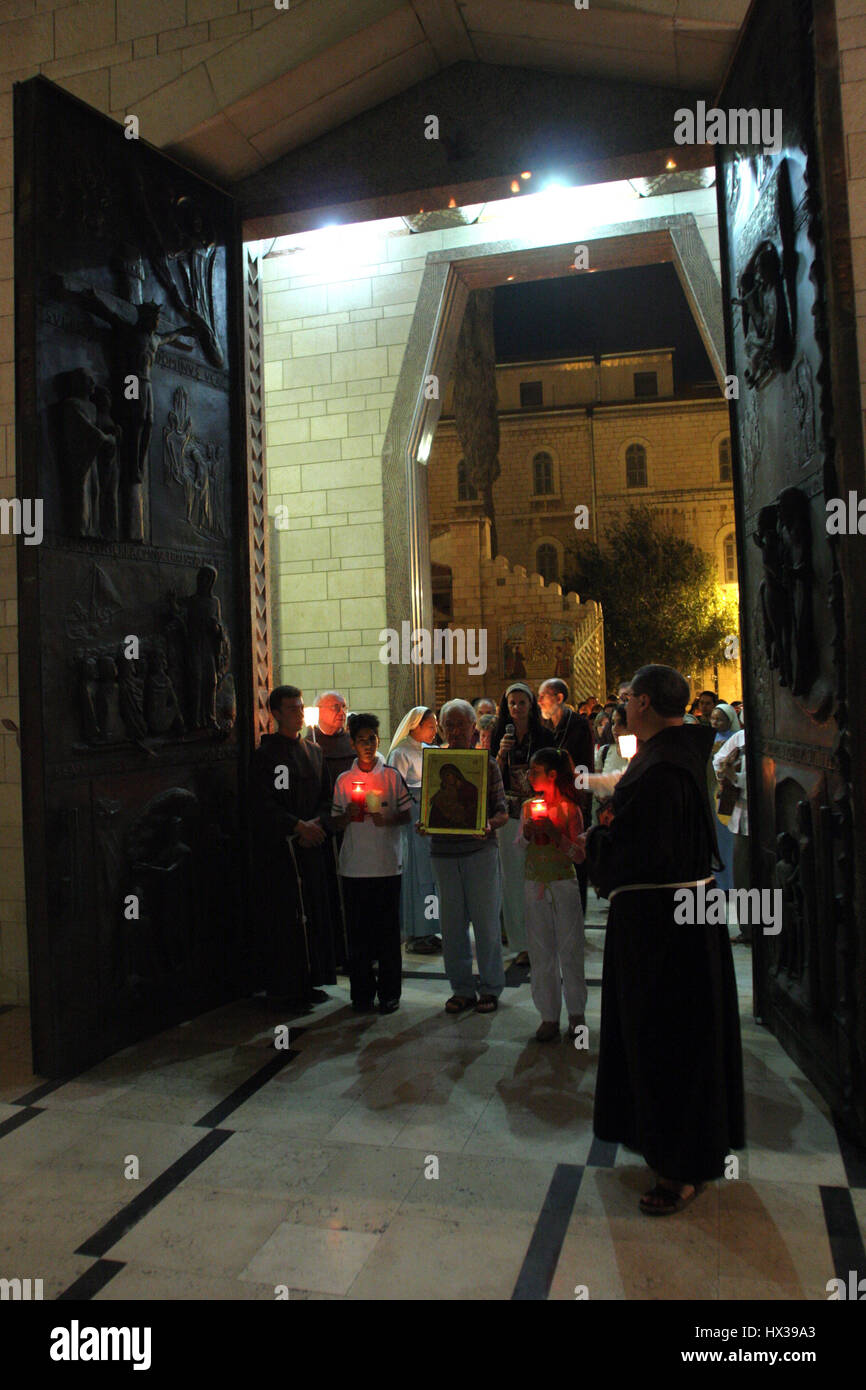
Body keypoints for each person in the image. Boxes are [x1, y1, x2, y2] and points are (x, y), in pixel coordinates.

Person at [585, 664, 744, 1216]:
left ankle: (680, 1169)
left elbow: (644, 851)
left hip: (665, 929)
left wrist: (590, 851)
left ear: (645, 703)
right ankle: (664, 1144)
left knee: (669, 1036)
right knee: (663, 1033)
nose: (623, 705)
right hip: (673, 918)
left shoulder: (663, 770)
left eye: (628, 697)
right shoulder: (674, 752)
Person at [249, 685, 337, 1008]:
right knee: (287, 918)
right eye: (291, 709)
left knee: (313, 913)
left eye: (301, 707)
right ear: (274, 714)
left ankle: (312, 979)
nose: (299, 713)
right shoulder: (266, 756)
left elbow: (327, 798)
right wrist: (296, 825)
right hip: (282, 851)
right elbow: (263, 803)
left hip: (312, 846)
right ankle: (286, 985)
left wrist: (316, 824)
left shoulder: (314, 752)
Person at [418, 699, 508, 1014]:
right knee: (452, 925)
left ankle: (490, 987)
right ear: (442, 728)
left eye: (462, 724)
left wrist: (487, 825)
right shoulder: (433, 764)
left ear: (473, 727)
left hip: (480, 852)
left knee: (485, 923)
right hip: (443, 854)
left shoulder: (487, 764)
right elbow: (429, 808)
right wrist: (424, 823)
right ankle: (461, 988)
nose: (455, 730)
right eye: (449, 724)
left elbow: (502, 812)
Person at [331, 713, 412, 1014]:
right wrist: (347, 814)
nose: (368, 745)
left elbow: (406, 814)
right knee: (359, 934)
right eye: (362, 740)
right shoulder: (343, 780)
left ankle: (390, 993)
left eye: (373, 739)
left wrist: (388, 817)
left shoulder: (391, 776)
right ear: (352, 744)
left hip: (387, 865)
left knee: (388, 933)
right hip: (354, 867)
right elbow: (336, 822)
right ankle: (361, 993)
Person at [521, 748, 587, 1042]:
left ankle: (576, 1015)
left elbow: (580, 855)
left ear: (552, 775)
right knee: (540, 950)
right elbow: (521, 846)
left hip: (562, 883)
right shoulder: (527, 807)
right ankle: (548, 1015)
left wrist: (555, 834)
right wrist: (527, 833)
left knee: (570, 949)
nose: (529, 775)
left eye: (535, 771)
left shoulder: (571, 810)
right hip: (535, 883)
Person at [490, 682, 555, 966]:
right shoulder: (499, 735)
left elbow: (554, 771)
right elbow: (492, 772)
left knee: (539, 877)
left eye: (522, 702)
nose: (517, 708)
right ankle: (521, 943)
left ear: (531, 705)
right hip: (510, 812)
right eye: (512, 703)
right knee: (513, 879)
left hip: (539, 812)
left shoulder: (544, 735)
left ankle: (543, 937)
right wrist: (502, 753)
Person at [305, 689, 354, 969]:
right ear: (319, 711)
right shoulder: (310, 745)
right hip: (327, 827)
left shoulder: (352, 743)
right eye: (335, 706)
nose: (341, 712)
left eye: (344, 706)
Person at [537, 677, 594, 912]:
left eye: (543, 696)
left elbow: (580, 766)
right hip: (552, 804)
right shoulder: (547, 727)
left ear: (559, 698)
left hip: (573, 804)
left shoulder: (578, 725)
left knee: (575, 860)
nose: (539, 701)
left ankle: (575, 913)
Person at [387, 707, 440, 954]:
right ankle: (415, 932)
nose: (434, 730)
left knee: (431, 875)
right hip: (413, 821)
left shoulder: (433, 751)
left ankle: (430, 929)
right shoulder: (401, 753)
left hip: (433, 820)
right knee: (416, 874)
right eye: (430, 726)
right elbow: (395, 789)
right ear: (415, 726)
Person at [714, 723, 750, 944]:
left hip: (766, 816)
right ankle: (749, 929)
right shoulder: (740, 739)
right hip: (741, 818)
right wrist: (726, 770)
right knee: (744, 877)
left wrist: (736, 777)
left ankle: (769, 928)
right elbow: (719, 759)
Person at [708, 701, 743, 897]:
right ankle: (720, 882)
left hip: (733, 795)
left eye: (719, 719)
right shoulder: (708, 740)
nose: (715, 722)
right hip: (715, 795)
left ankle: (733, 882)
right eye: (713, 718)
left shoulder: (737, 740)